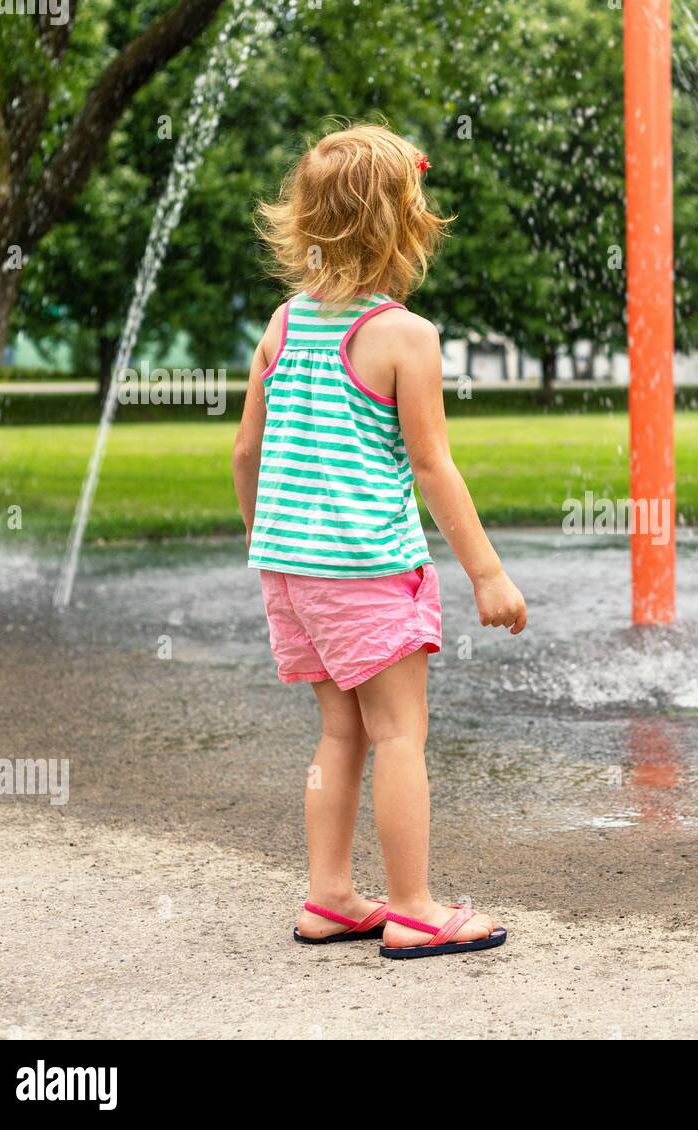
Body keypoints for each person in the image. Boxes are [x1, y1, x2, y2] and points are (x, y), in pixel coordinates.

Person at [232, 123, 526, 959]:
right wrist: (489, 574)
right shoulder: (405, 336)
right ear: (402, 223)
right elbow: (432, 467)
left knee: (339, 733)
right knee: (400, 734)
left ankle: (329, 897)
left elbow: (246, 453)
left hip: (291, 574)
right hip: (365, 570)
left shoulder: (283, 327)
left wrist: (272, 540)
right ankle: (415, 907)